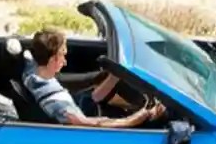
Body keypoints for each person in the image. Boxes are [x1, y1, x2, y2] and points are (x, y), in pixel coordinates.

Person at [21, 28, 165, 128]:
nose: (65, 62)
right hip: (93, 122)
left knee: (111, 77)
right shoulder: (59, 105)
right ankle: (149, 108)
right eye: (63, 55)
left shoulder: (31, 72)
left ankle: (144, 103)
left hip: (83, 102)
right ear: (53, 59)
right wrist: (137, 119)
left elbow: (28, 52)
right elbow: (95, 124)